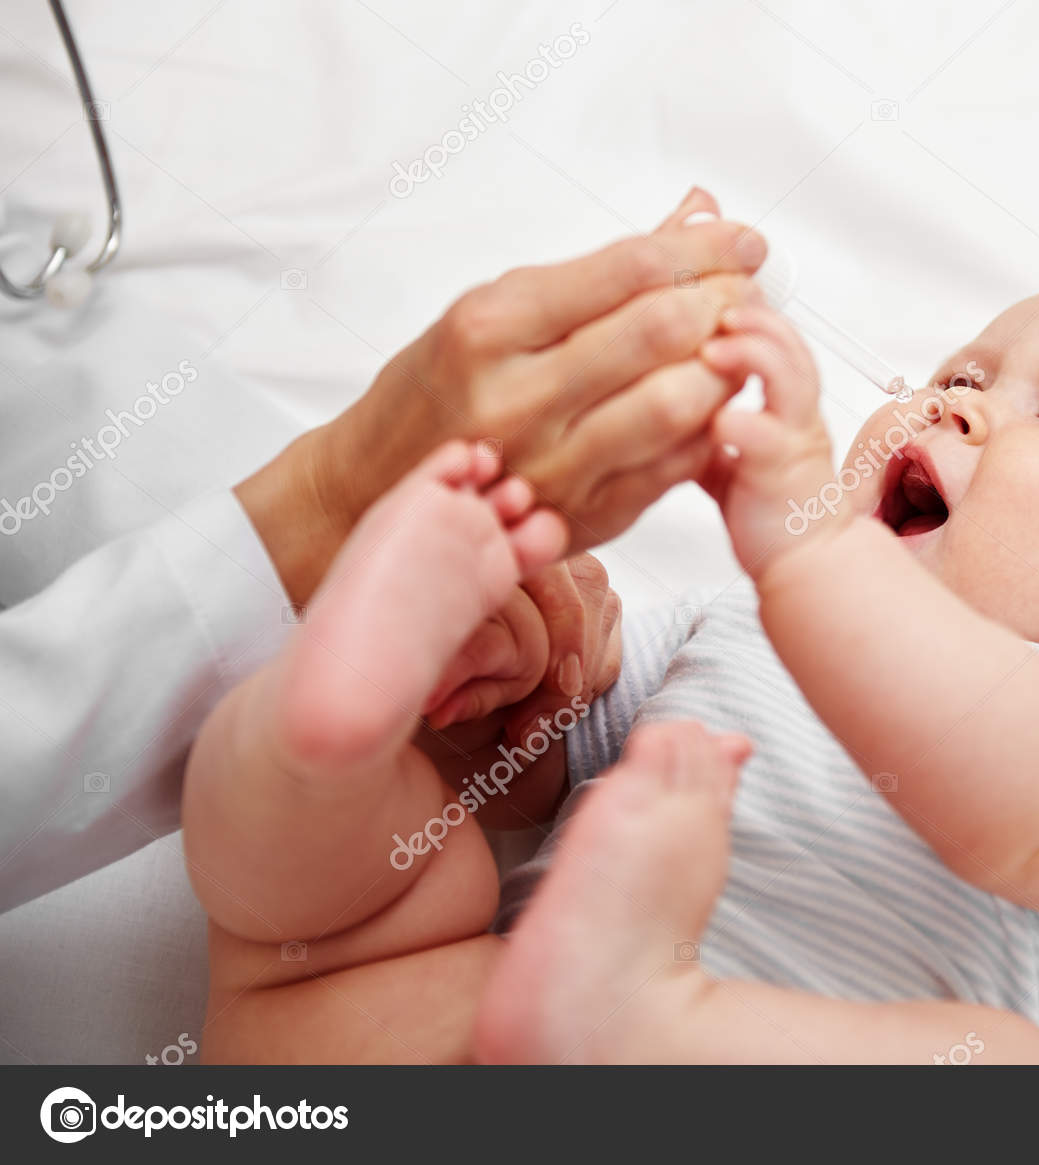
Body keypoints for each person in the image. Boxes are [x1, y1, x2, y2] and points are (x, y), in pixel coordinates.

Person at [177, 284, 1039, 1062]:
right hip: (454, 1045)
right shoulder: (736, 618)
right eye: (958, 370)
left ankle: (651, 1020)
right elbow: (529, 780)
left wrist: (809, 562)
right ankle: (312, 736)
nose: (952, 401)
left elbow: (1034, 822)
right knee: (383, 896)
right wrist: (499, 674)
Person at [0, 189, 765, 913]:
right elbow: (574, 755)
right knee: (406, 893)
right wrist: (328, 510)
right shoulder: (747, 631)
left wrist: (334, 514)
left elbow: (556, 744)